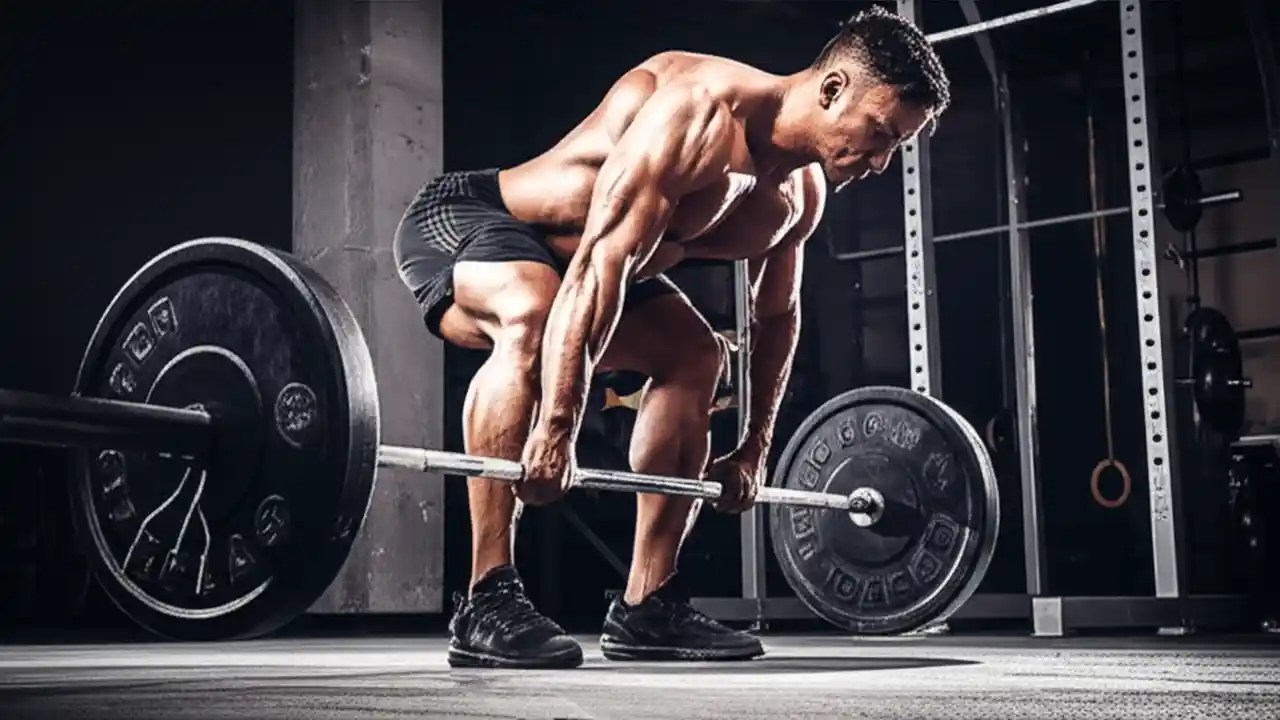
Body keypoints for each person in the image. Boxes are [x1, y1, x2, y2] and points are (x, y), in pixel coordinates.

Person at [393, 6, 949, 669]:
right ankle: (487, 595)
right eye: (880, 132)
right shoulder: (700, 114)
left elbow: (777, 317)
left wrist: (753, 449)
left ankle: (646, 604)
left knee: (694, 353)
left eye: (896, 146)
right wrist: (558, 424)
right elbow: (603, 262)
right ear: (832, 89)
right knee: (534, 313)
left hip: (580, 269)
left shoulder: (800, 198)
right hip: (474, 221)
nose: (882, 161)